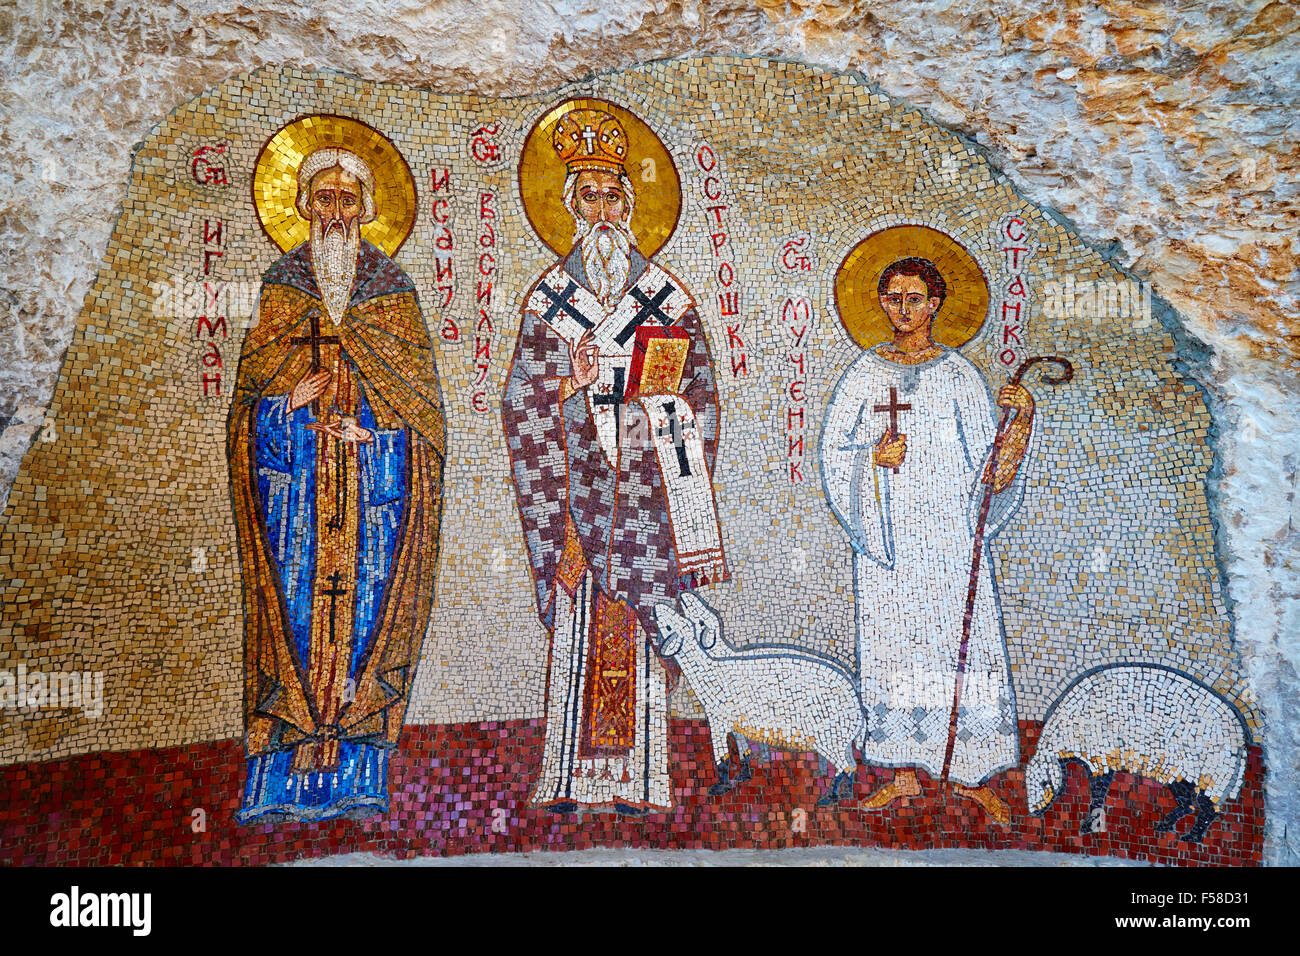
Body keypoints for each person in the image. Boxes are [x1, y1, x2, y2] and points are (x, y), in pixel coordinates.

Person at [503, 107, 727, 814]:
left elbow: (703, 399)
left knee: (639, 624)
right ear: (569, 207)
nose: (601, 210)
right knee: (580, 621)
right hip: (573, 501)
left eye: (612, 197)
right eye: (588, 197)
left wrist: (660, 420)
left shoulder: (667, 300)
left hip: (642, 501)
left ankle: (640, 780)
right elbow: (519, 405)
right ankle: (570, 779)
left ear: (630, 207)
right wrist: (567, 388)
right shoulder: (548, 303)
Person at [228, 147, 445, 822]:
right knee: (288, 630)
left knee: (367, 633)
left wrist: (376, 442)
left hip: (374, 511)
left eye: (348, 201)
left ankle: (358, 772)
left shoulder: (393, 295)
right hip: (293, 506)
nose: (335, 214)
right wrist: (285, 406)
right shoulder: (281, 289)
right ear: (301, 206)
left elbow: (426, 427)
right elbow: (242, 422)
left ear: (369, 210)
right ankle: (276, 783)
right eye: (323, 199)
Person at [819, 256, 1034, 825]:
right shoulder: (865, 374)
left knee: (959, 648)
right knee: (896, 644)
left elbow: (990, 468)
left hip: (950, 539)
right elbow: (833, 456)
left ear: (936, 304)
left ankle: (972, 774)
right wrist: (871, 460)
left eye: (914, 298)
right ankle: (906, 770)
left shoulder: (959, 375)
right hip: (889, 543)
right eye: (892, 299)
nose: (903, 310)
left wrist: (1021, 425)